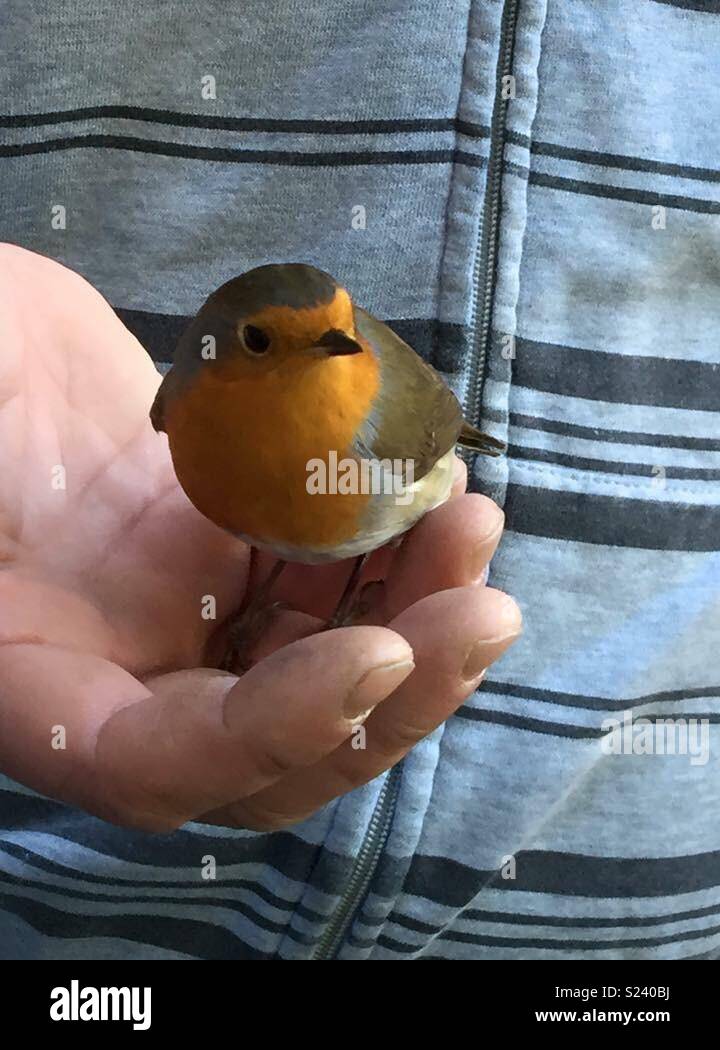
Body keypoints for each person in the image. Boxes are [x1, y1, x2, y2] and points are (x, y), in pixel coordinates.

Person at [0, 0, 718, 960]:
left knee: (407, 581)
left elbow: (436, 440)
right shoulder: (188, 404)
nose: (340, 345)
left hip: (617, 902)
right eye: (268, 344)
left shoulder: (375, 422)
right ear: (214, 353)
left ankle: (338, 609)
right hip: (71, 914)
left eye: (339, 330)